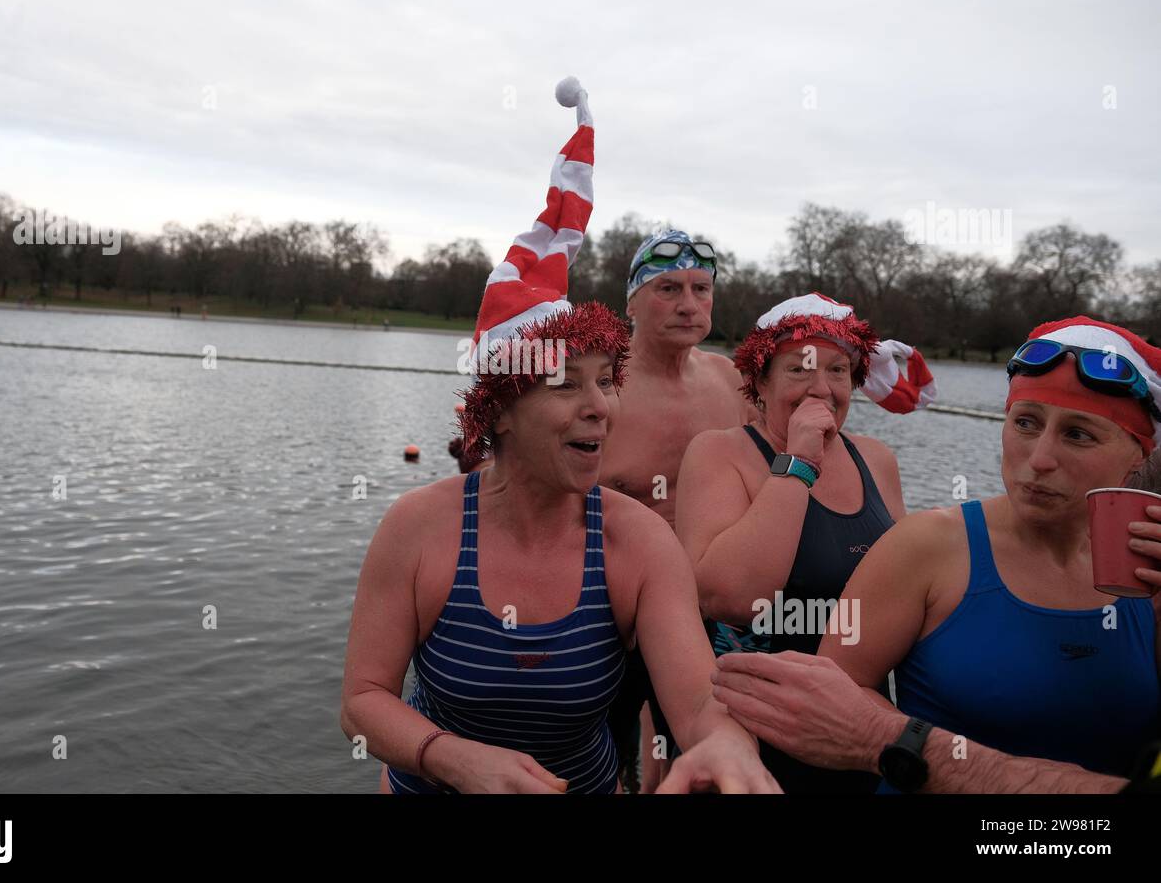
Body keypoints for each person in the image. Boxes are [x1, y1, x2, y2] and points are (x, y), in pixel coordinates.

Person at [339, 79, 777, 794]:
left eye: (606, 380)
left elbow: (697, 700)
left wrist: (725, 744)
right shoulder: (418, 527)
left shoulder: (638, 542)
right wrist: (450, 756)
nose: (602, 406)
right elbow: (362, 701)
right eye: (566, 383)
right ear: (500, 411)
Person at [810, 315, 1161, 788]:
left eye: (1078, 434)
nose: (1039, 458)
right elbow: (822, 699)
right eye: (1025, 423)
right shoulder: (925, 546)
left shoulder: (1147, 570)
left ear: (1139, 456)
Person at [676, 293, 921, 792]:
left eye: (837, 371)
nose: (821, 389)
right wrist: (800, 461)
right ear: (760, 382)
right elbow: (731, 597)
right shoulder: (719, 453)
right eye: (799, 369)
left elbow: (908, 596)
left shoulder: (877, 460)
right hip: (746, 732)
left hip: (857, 733)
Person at [600, 229, 758, 790]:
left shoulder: (731, 380)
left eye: (701, 288)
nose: (689, 304)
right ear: (632, 301)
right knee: (601, 764)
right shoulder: (598, 383)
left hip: (704, 609)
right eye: (668, 287)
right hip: (608, 608)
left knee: (696, 759)